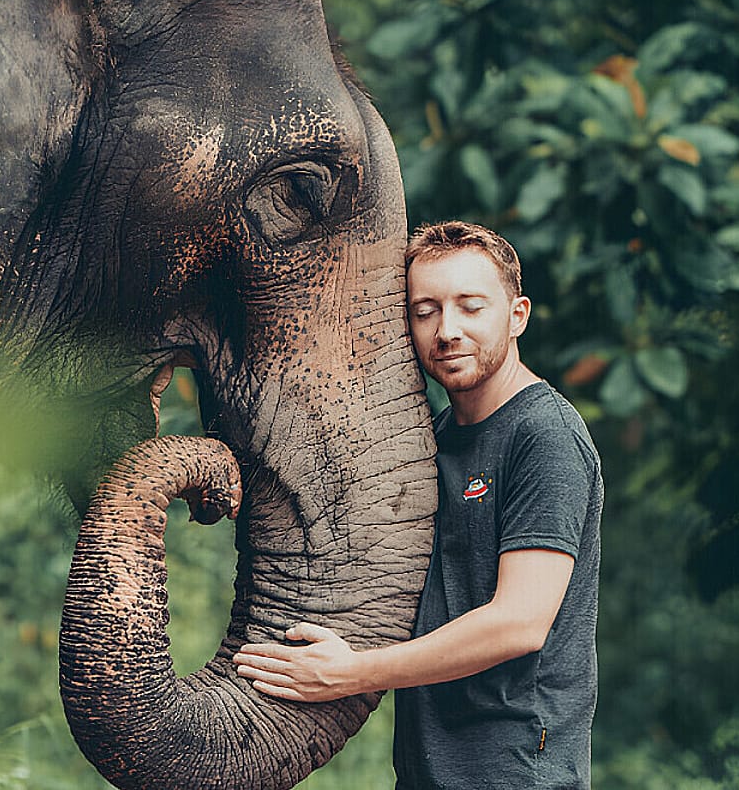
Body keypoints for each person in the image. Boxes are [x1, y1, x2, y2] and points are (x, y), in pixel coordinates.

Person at [233, 221, 602, 789]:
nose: (446, 330)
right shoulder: (433, 439)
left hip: (513, 772)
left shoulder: (544, 434)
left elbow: (519, 623)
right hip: (429, 768)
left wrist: (351, 674)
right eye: (425, 310)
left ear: (518, 314)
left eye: (470, 307)